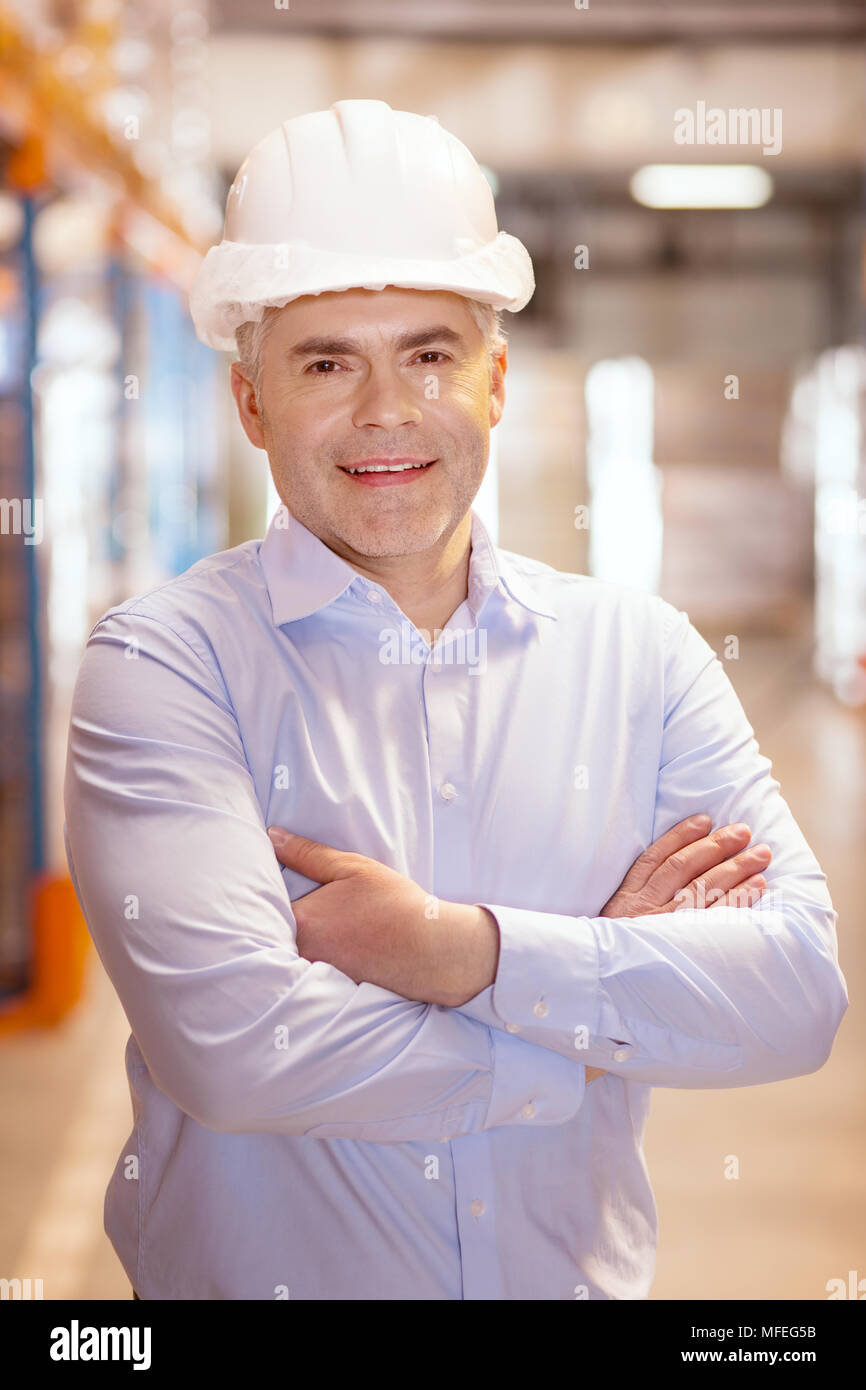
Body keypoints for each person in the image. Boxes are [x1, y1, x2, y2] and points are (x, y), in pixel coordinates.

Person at [64, 99, 847, 1301]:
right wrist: (582, 1022)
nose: (386, 412)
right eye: (328, 362)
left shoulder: (637, 659)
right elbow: (239, 1052)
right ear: (252, 402)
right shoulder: (168, 666)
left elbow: (793, 992)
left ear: (490, 383)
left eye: (428, 353)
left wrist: (456, 952)